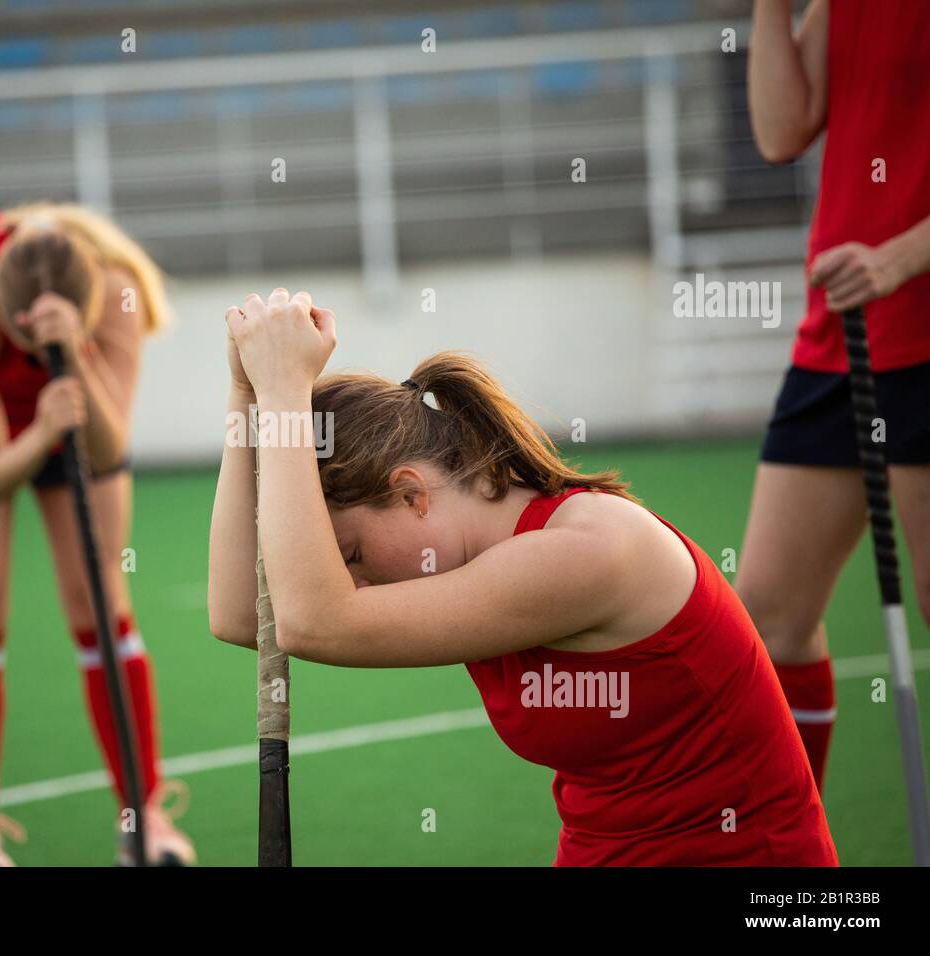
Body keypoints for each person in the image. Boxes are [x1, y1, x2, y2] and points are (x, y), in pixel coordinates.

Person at [207, 288, 838, 865]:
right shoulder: (485, 554)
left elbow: (314, 622)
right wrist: (250, 399)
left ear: (411, 495)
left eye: (351, 557)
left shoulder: (586, 551)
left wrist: (289, 391)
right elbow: (243, 614)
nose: (355, 585)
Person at [0, 202, 194, 865]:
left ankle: (143, 814)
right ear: (6, 320)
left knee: (99, 602)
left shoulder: (115, 290)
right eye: (24, 336)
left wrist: (73, 359)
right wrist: (37, 432)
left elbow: (110, 440)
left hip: (76, 405)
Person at [742, 0, 930, 792]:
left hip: (918, 325)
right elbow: (779, 133)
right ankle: (792, 846)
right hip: (843, 335)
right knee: (769, 617)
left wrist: (899, 258)